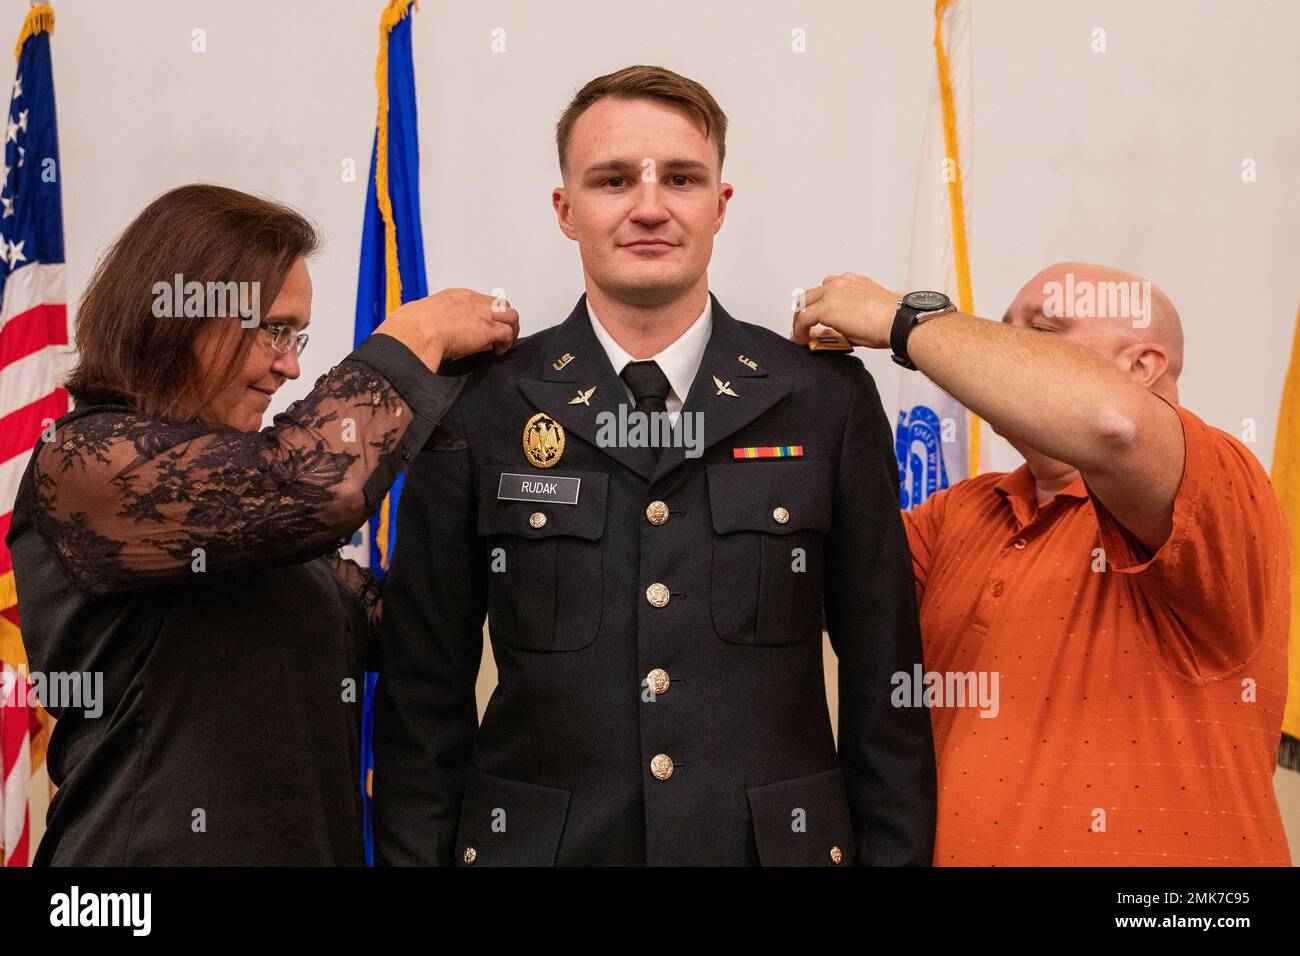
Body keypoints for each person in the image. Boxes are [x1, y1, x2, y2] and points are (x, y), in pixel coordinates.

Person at [373, 65, 935, 867]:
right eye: (612, 179)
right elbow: (422, 696)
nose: (648, 206)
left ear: (719, 205)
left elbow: (887, 683)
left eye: (680, 178)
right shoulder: (479, 406)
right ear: (566, 210)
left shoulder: (824, 400)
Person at [6, 183, 517, 865]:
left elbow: (415, 630)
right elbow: (311, 485)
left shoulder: (270, 540)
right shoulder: (83, 463)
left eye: (296, 335)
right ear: (180, 311)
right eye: (272, 330)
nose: (291, 363)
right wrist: (417, 333)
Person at [793, 263, 1292, 865]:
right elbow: (787, 575)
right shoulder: (962, 512)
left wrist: (907, 321)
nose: (995, 358)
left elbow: (1116, 424)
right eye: (999, 335)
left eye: (1042, 334)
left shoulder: (1223, 486)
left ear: (1142, 368)